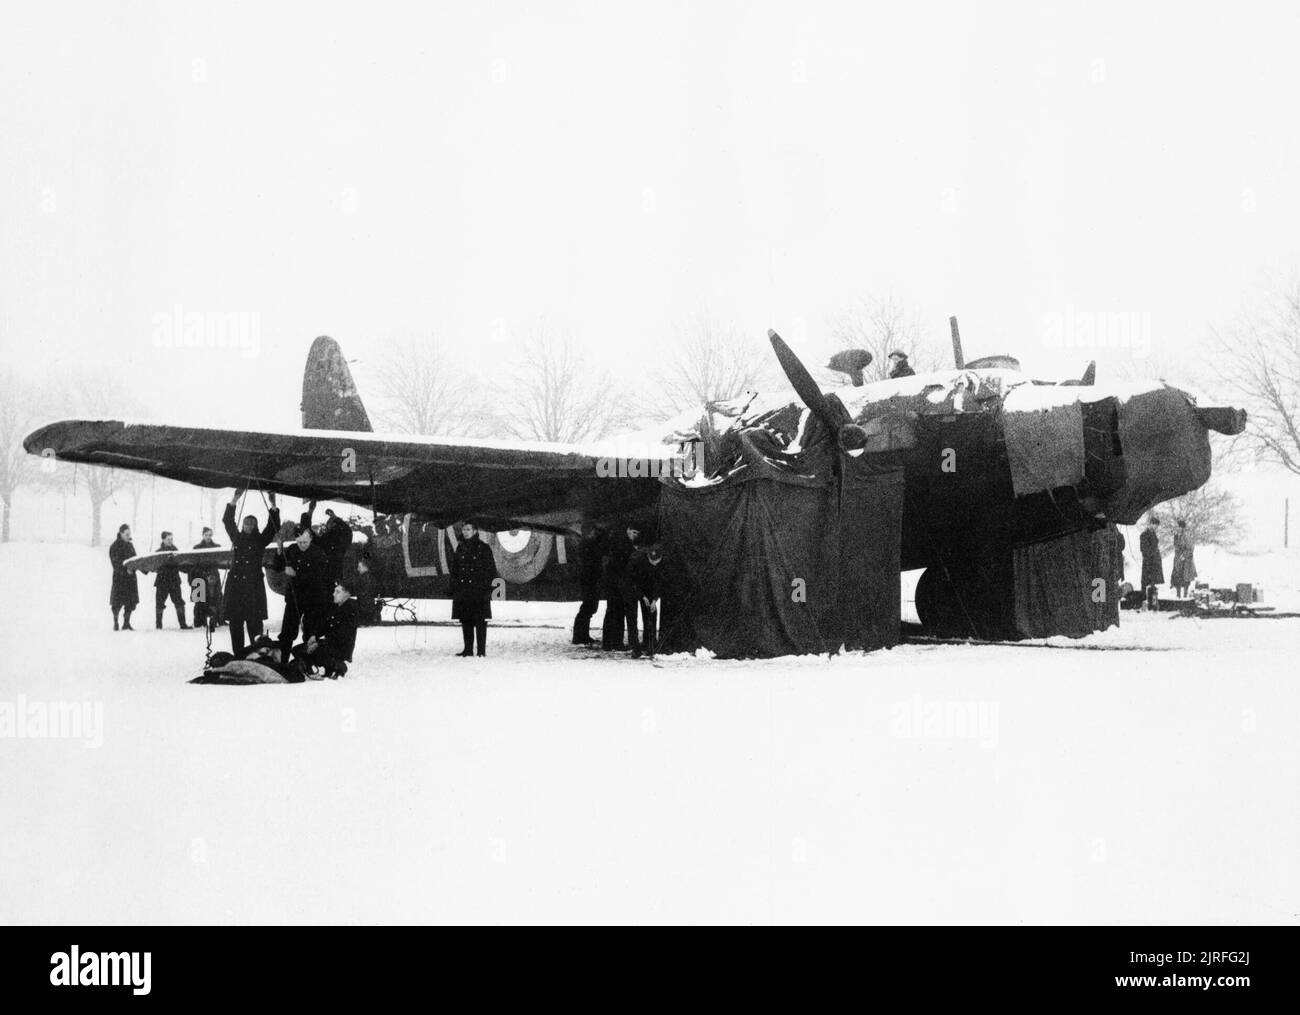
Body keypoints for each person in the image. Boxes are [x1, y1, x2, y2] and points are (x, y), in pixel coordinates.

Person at [222, 488, 281, 656]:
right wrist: (235, 499)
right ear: (242, 526)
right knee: (235, 623)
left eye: (251, 523)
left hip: (253, 587)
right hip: (235, 587)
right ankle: (239, 654)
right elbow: (227, 521)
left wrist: (273, 505)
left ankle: (256, 653)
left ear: (255, 526)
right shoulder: (236, 538)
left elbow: (273, 526)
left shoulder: (261, 540)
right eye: (246, 523)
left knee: (255, 623)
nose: (248, 526)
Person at [272, 521, 332, 665]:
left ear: (311, 539)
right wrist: (279, 551)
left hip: (313, 598)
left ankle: (309, 663)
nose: (302, 545)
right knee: (287, 632)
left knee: (311, 632)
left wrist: (296, 573)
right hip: (294, 598)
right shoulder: (292, 549)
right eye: (299, 542)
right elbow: (277, 566)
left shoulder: (319, 553)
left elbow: (318, 576)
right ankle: (283, 662)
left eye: (305, 542)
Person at [291, 579, 359, 678]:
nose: (333, 594)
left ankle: (338, 666)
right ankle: (311, 668)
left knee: (314, 652)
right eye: (334, 591)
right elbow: (325, 626)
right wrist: (314, 636)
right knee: (297, 650)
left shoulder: (350, 611)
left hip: (340, 648)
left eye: (338, 592)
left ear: (346, 594)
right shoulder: (336, 608)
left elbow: (341, 636)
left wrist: (318, 643)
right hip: (329, 645)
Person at [449, 521, 498, 657]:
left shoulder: (484, 547)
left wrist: (486, 588)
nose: (465, 532)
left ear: (475, 531)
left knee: (480, 621)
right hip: (464, 590)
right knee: (466, 620)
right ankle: (468, 649)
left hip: (478, 590)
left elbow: (490, 570)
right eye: (464, 529)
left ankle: (481, 651)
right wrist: (454, 586)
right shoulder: (460, 547)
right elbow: (455, 570)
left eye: (468, 529)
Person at [623, 541, 666, 659]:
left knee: (651, 612)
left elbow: (658, 581)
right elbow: (632, 581)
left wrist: (654, 600)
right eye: (651, 562)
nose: (654, 564)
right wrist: (642, 596)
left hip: (646, 586)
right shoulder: (636, 560)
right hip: (631, 586)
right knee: (632, 617)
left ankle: (650, 645)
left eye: (656, 562)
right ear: (647, 557)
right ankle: (635, 648)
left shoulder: (661, 563)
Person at [601, 523, 640, 650]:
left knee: (613, 612)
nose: (635, 536)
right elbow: (623, 562)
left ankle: (608, 643)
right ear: (628, 530)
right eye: (634, 532)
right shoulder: (624, 544)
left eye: (637, 534)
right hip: (616, 584)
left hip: (612, 582)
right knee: (616, 612)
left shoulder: (619, 540)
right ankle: (615, 643)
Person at [300, 500, 354, 584]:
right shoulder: (342, 541)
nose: (327, 525)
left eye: (329, 523)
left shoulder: (324, 541)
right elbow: (348, 531)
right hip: (335, 578)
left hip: (323, 578)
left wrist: (310, 511)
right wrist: (336, 518)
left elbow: (306, 531)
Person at [571, 521, 608, 645]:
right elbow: (595, 557)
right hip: (590, 579)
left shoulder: (586, 543)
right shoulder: (589, 543)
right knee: (589, 607)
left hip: (589, 579)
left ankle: (581, 635)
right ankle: (579, 635)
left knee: (588, 607)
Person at [189, 526, 223, 632]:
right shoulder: (197, 548)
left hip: (213, 576)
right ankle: (199, 621)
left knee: (215, 598)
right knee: (199, 600)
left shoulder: (217, 547)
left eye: (210, 535)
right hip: (199, 576)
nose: (208, 537)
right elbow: (193, 564)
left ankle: (216, 620)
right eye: (206, 535)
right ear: (202, 535)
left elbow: (219, 561)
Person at [153, 531, 190, 629]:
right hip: (162, 581)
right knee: (159, 603)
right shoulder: (158, 552)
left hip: (174, 581)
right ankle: (158, 625)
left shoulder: (176, 551)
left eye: (171, 539)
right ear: (163, 539)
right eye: (168, 539)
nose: (170, 541)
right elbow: (154, 566)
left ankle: (183, 624)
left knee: (179, 602)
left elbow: (180, 564)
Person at [109, 524, 139, 631]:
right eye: (126, 534)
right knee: (117, 603)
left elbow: (135, 559)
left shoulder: (130, 546)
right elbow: (115, 563)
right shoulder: (114, 546)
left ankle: (126, 623)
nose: (128, 536)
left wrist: (140, 566)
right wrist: (125, 570)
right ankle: (116, 622)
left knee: (130, 602)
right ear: (121, 533)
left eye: (129, 534)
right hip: (120, 579)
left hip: (131, 579)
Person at [1139, 515, 1164, 611]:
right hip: (1148, 562)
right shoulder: (1144, 535)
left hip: (1155, 562)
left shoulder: (1153, 534)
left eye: (1157, 526)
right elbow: (1144, 549)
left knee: (1153, 583)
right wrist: (1152, 555)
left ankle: (1153, 603)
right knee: (1145, 582)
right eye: (1155, 525)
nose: (1156, 527)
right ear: (1150, 524)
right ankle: (1144, 603)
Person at [1170, 520, 1197, 598]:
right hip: (1178, 560)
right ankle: (1178, 594)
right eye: (1177, 527)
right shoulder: (1177, 536)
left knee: (1185, 579)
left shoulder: (1186, 536)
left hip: (1185, 561)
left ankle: (1185, 595)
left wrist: (1183, 556)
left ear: (1182, 528)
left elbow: (1190, 548)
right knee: (1177, 578)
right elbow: (1176, 546)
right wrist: (1175, 537)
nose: (1177, 529)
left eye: (1179, 527)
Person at [352, 556, 378, 625]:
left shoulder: (365, 578)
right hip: (367, 609)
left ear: (365, 567)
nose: (358, 569)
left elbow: (363, 597)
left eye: (359, 567)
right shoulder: (368, 577)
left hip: (365, 611)